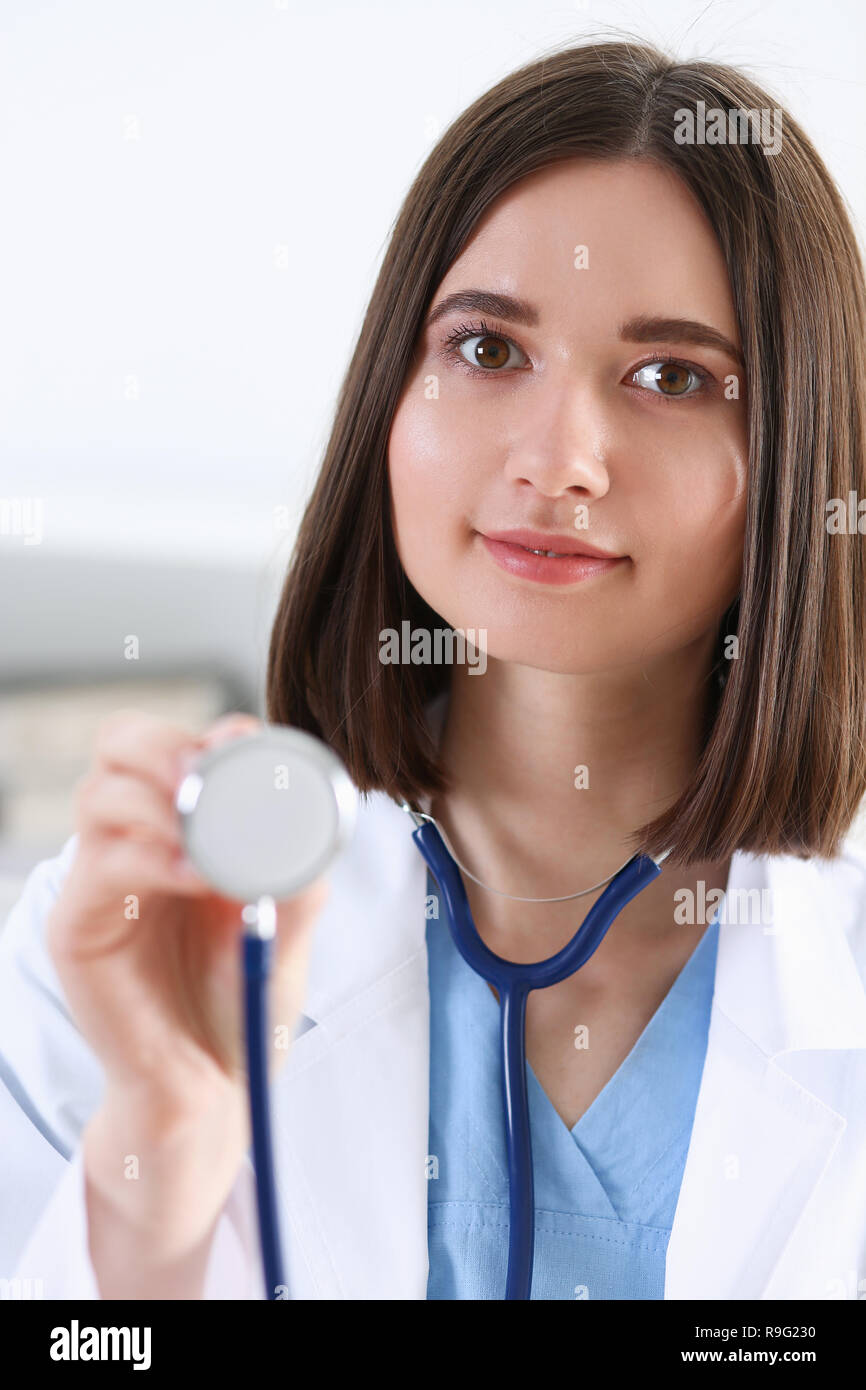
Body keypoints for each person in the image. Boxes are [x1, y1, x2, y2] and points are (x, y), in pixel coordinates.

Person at [2, 39, 866, 1301]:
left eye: (670, 376)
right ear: (389, 400)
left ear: (794, 464)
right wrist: (158, 1177)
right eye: (487, 349)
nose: (559, 459)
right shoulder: (116, 945)